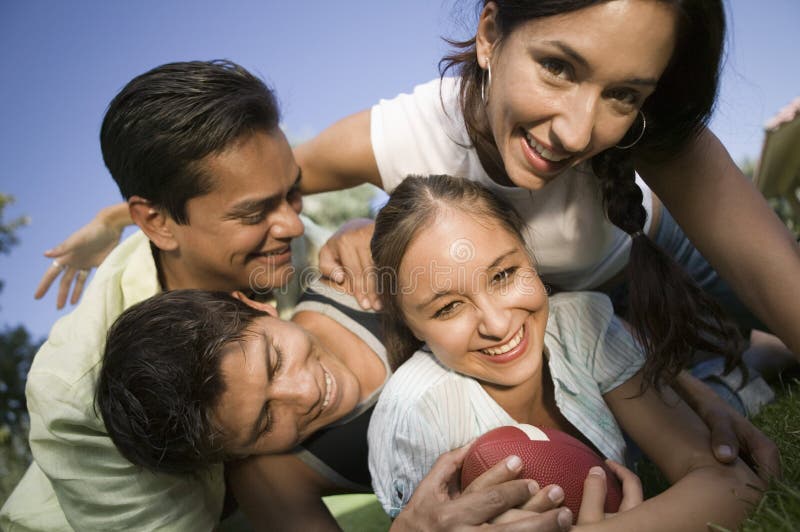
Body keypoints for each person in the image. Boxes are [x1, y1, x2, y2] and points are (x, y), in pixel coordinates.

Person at [35, 0, 789, 473]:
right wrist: (121, 220)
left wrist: (367, 226)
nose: (579, 130)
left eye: (623, 93)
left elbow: (772, 277)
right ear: (490, 32)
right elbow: (253, 183)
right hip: (572, 308)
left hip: (655, 249)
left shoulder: (656, 140)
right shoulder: (400, 137)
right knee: (746, 369)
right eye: (558, 67)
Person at [1, 60, 544, 532]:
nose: (293, 222)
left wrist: (364, 227)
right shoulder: (77, 396)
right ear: (157, 221)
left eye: (292, 192)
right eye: (256, 212)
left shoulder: (279, 252)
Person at [367, 174, 763, 530]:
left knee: (734, 391)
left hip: (635, 416)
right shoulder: (414, 416)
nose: (497, 325)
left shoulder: (580, 324)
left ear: (530, 255)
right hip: (635, 429)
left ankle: (767, 351)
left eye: (504, 275)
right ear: (410, 325)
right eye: (448, 307)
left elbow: (731, 482)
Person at [96, 287, 575, 531]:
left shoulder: (358, 281)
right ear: (234, 453)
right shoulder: (272, 479)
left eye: (275, 360)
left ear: (257, 306)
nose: (304, 393)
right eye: (264, 421)